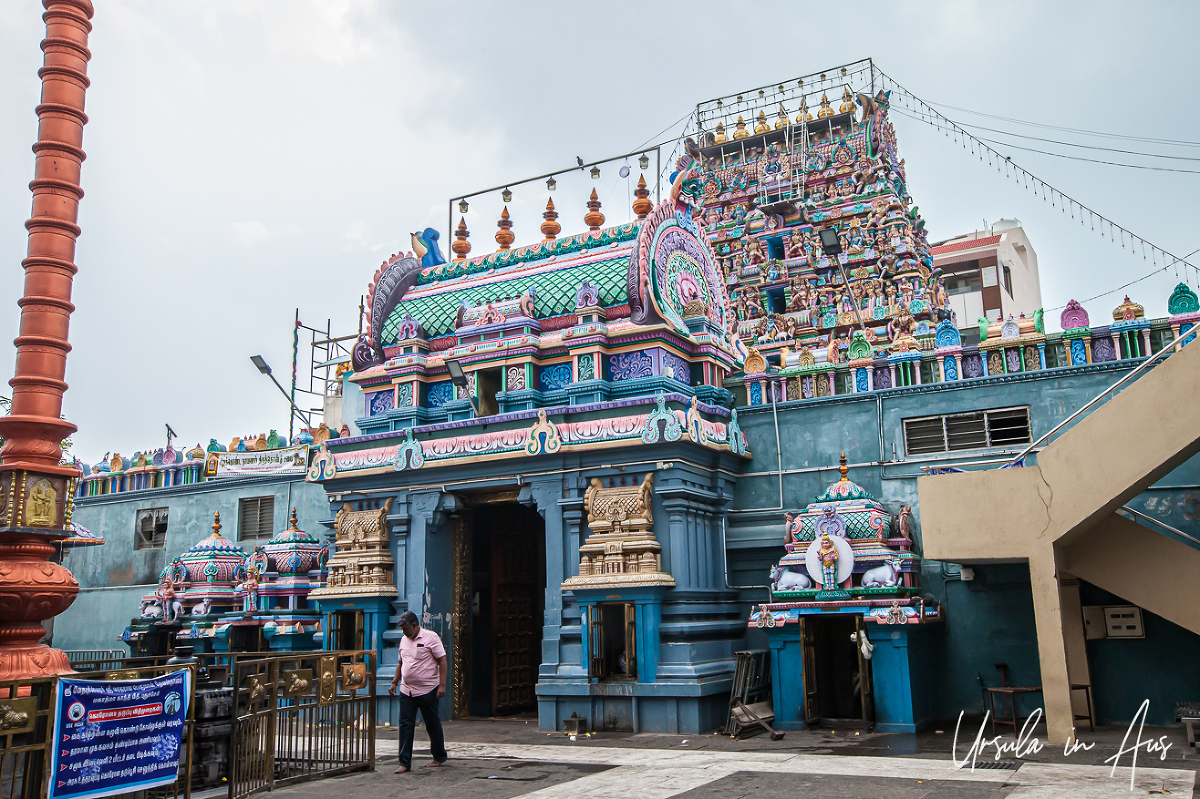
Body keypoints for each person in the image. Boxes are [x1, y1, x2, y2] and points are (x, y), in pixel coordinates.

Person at [389, 611, 448, 773]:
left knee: (432, 723)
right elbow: (401, 663)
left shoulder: (431, 638)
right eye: (402, 629)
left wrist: (442, 685)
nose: (404, 632)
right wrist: (394, 682)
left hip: (428, 689)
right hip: (407, 690)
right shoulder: (403, 640)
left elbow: (442, 661)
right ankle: (404, 762)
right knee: (405, 725)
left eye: (406, 629)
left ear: (415, 626)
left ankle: (439, 755)